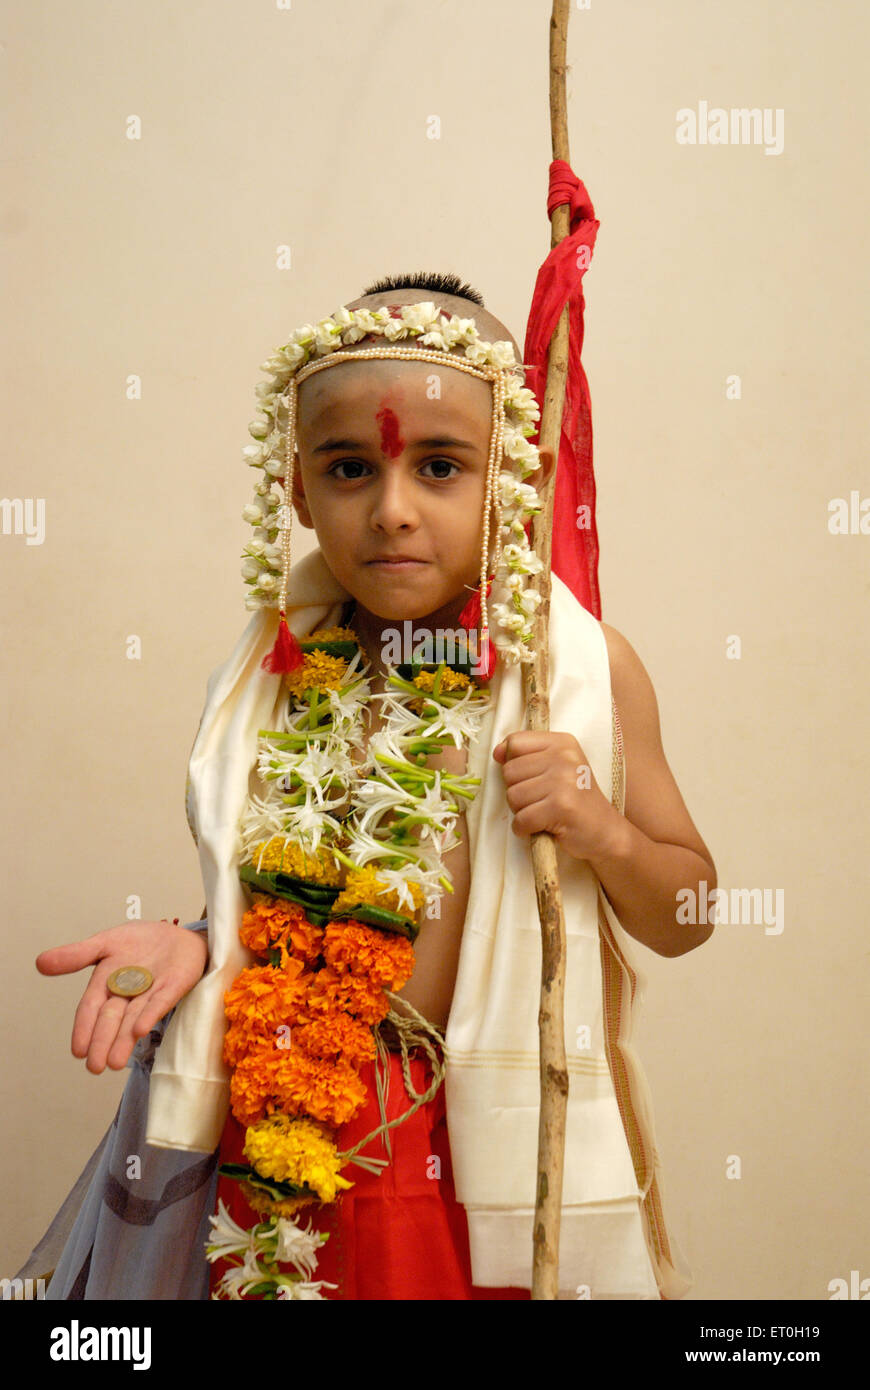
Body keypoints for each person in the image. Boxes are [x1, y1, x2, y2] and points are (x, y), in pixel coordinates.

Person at [22, 271, 716, 1301]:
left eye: (441, 466)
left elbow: (689, 911)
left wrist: (600, 829)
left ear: (512, 480)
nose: (392, 511)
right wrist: (200, 941)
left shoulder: (573, 676)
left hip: (455, 1156)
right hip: (271, 1134)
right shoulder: (271, 678)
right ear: (299, 488)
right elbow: (289, 915)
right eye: (351, 468)